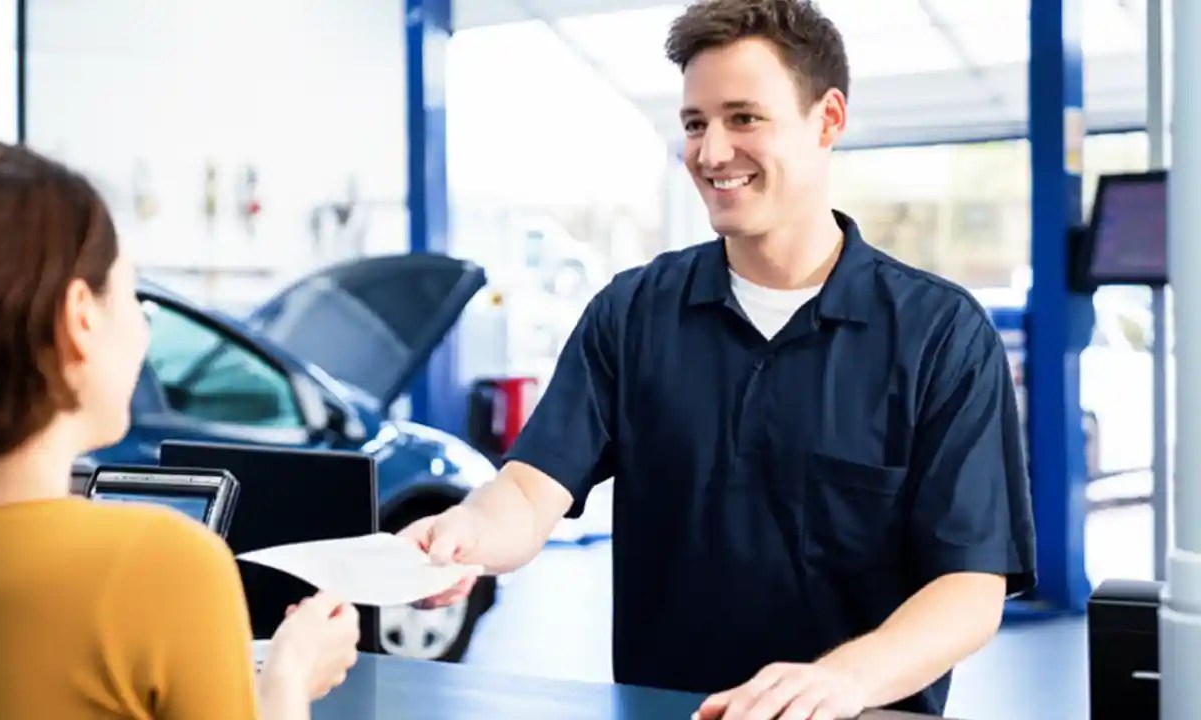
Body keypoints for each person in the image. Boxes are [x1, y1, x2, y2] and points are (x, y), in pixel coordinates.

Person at [401, 1, 1037, 718]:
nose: (710, 154)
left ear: (828, 120)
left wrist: (842, 681)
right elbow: (526, 492)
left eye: (744, 118)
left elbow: (970, 587)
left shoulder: (939, 335)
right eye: (696, 123)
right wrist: (467, 533)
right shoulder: (632, 314)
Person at [0, 141, 359, 720]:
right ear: (79, 319)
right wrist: (289, 678)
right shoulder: (160, 566)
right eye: (131, 297)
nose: (142, 332)